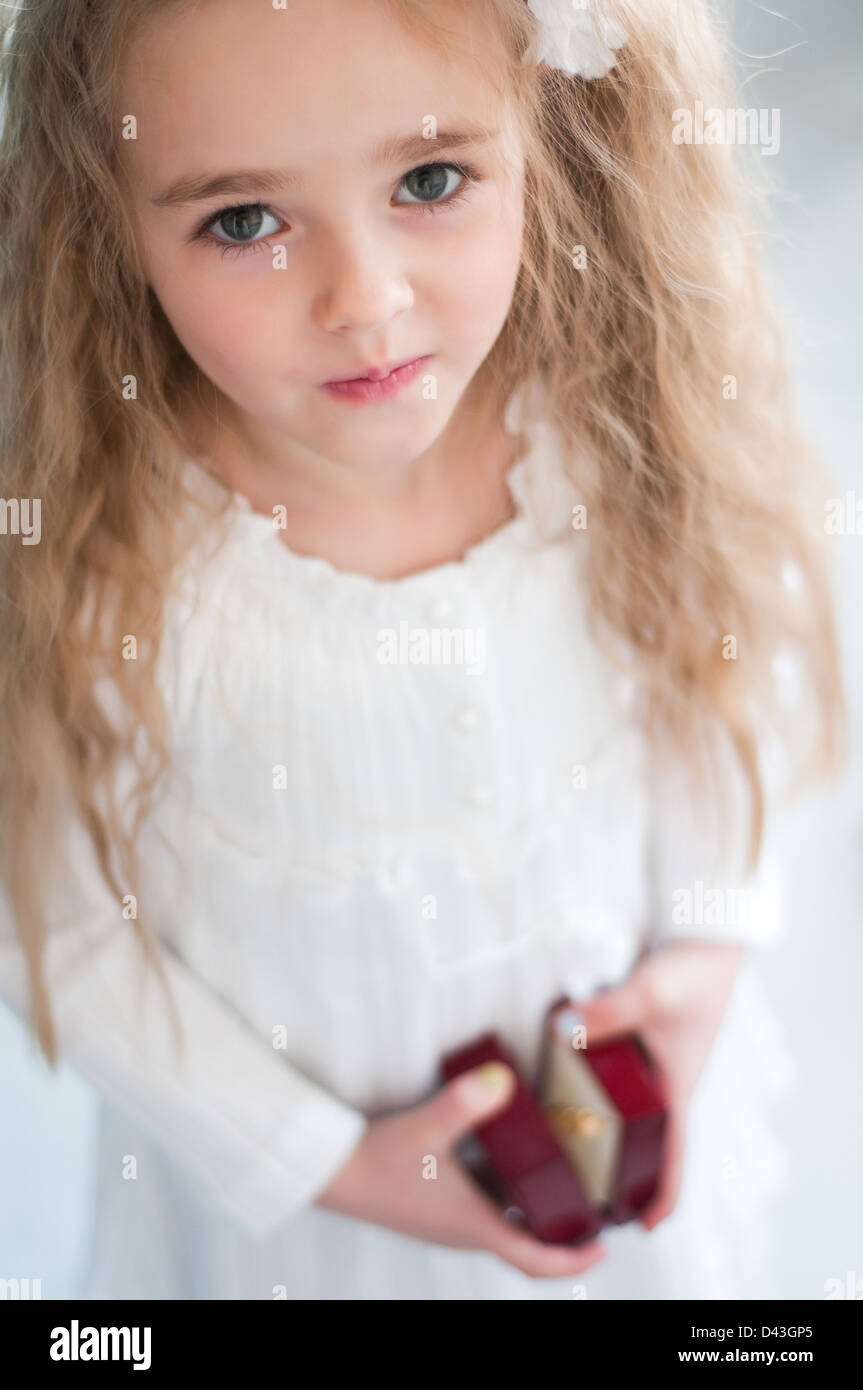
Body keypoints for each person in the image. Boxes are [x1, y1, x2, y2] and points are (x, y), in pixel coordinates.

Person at [0, 0, 845, 1300]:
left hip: (613, 1160)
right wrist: (329, 1161)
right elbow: (52, 924)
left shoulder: (616, 428)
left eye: (431, 180)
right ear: (105, 223)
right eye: (243, 221)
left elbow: (724, 684)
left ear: (542, 139)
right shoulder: (103, 555)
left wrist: (707, 952)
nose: (365, 300)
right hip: (307, 1243)